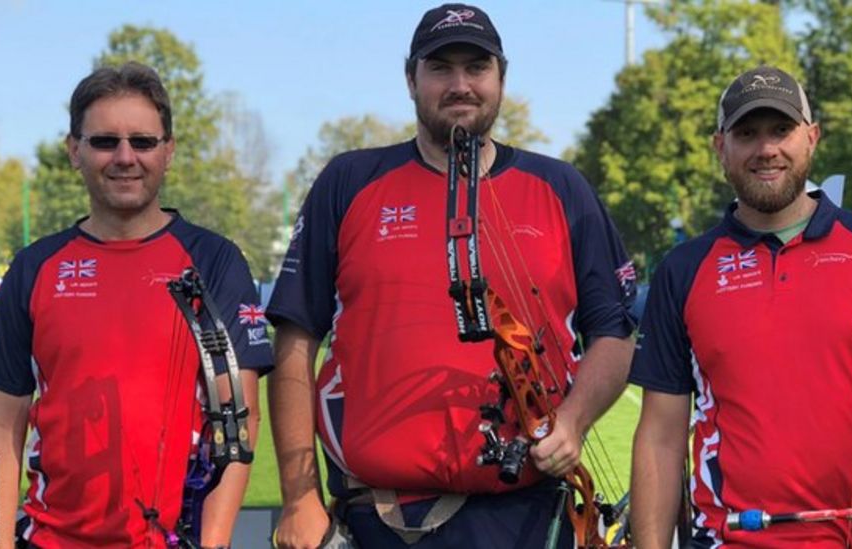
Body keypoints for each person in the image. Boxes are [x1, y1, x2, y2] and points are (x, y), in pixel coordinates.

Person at [265, 3, 636, 548]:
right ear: (410, 78)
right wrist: (300, 498)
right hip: (380, 520)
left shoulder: (561, 187)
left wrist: (574, 422)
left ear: (501, 79)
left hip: (528, 516)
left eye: (476, 68)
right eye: (440, 68)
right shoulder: (349, 182)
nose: (460, 84)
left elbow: (615, 333)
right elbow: (296, 339)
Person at [628, 65, 852, 548]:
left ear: (811, 137)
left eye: (782, 130)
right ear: (720, 148)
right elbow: (660, 438)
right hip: (729, 539)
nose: (766, 149)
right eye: (747, 133)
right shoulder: (684, 269)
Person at [0, 61, 272, 548]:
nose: (124, 157)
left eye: (142, 141)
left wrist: (215, 543)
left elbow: (238, 421)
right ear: (74, 150)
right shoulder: (36, 266)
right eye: (103, 141)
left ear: (168, 151)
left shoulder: (213, 260)